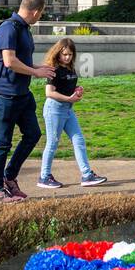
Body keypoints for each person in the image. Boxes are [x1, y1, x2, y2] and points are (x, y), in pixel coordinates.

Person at [0, 0, 54, 204]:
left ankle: (9, 177)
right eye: (40, 13)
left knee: (33, 134)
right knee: (2, 143)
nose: (39, 17)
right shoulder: (8, 28)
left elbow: (21, 61)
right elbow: (9, 61)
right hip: (4, 94)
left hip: (21, 94)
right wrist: (36, 74)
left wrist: (38, 68)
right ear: (35, 11)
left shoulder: (24, 29)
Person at [38, 38, 107, 189]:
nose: (67, 57)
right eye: (64, 54)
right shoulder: (54, 70)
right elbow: (49, 93)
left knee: (79, 140)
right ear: (58, 54)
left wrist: (77, 90)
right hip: (54, 109)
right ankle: (44, 177)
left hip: (68, 109)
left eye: (70, 54)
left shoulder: (70, 69)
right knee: (52, 143)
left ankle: (87, 175)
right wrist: (68, 98)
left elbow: (68, 87)